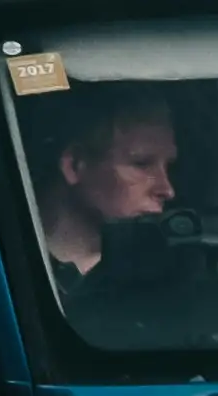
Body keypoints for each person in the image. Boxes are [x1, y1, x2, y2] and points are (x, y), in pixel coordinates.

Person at [34, 94, 183, 280]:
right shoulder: (9, 269)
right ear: (75, 165)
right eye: (141, 163)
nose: (167, 190)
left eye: (169, 166)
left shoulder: (174, 273)